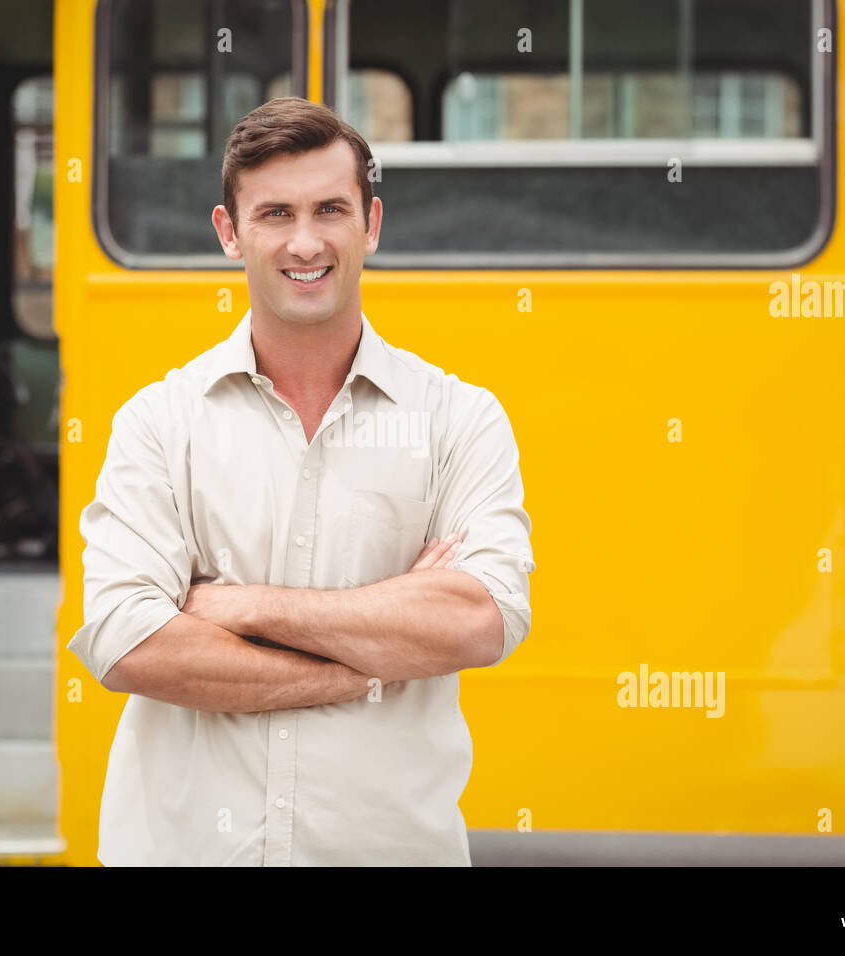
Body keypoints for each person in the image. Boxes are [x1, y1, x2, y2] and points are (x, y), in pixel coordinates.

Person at [68, 96, 534, 865]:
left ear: (371, 224)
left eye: (331, 209)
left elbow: (479, 621)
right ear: (230, 233)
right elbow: (128, 644)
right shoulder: (159, 422)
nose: (306, 241)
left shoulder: (460, 417)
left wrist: (240, 606)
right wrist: (367, 661)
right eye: (276, 213)